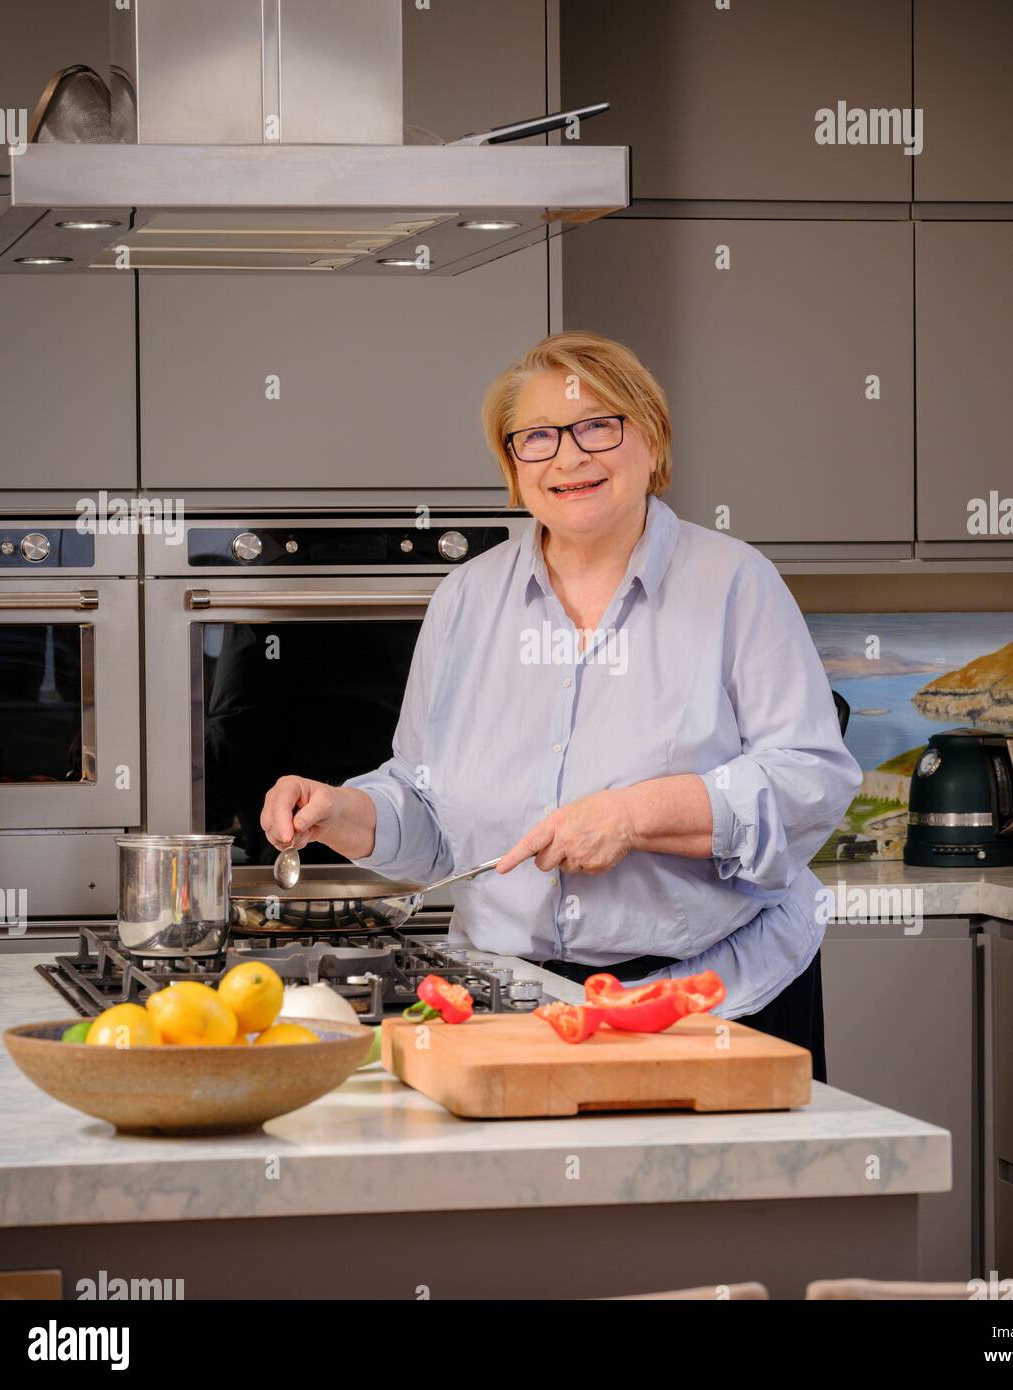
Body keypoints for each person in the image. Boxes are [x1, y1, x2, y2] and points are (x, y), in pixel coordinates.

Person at [261, 330, 862, 1079]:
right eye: (536, 437)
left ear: (651, 442)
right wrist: (343, 813)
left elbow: (810, 783)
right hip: (513, 1006)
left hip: (712, 1000)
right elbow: (430, 809)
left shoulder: (736, 584)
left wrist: (634, 815)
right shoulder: (466, 601)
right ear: (513, 466)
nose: (569, 458)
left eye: (597, 426)